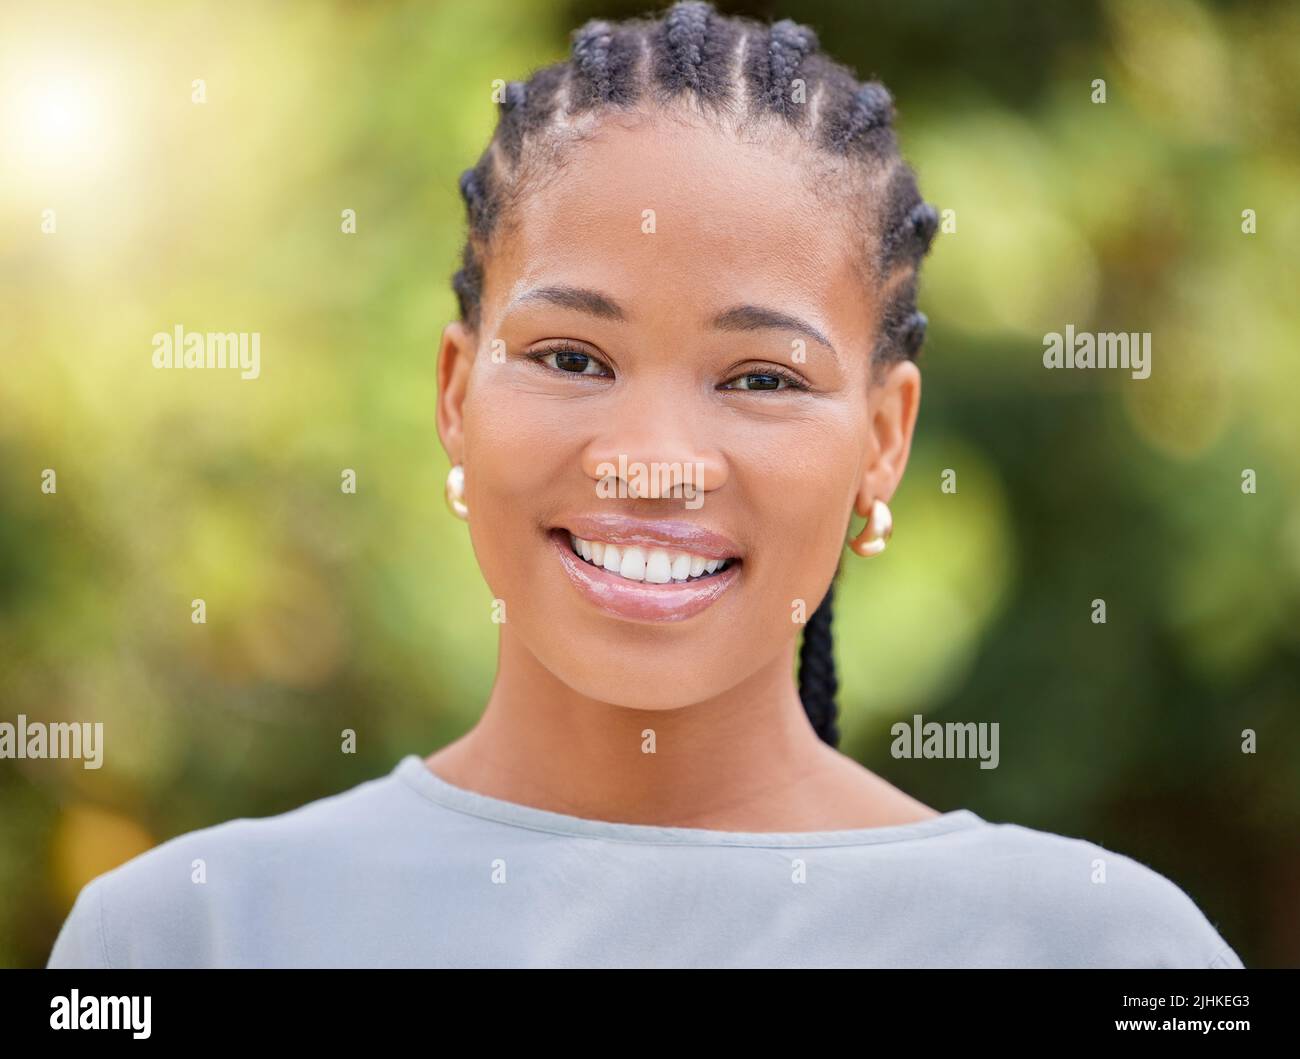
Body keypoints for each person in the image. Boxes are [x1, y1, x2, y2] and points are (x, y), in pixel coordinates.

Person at [47, 1, 1242, 969]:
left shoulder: (1098, 951)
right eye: (572, 357)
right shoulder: (182, 937)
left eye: (762, 378)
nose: (653, 458)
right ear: (456, 392)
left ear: (884, 438)